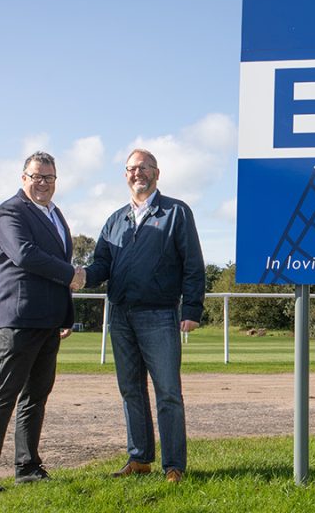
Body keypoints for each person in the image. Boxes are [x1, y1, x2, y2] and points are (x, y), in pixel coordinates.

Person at [83, 148, 206, 483]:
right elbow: (101, 266)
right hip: (120, 316)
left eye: (143, 167)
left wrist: (192, 309)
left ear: (156, 173)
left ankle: (174, 466)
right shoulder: (114, 219)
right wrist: (79, 276)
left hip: (160, 315)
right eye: (130, 168)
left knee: (167, 392)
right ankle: (139, 458)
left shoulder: (177, 213)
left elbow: (193, 265)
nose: (136, 173)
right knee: (130, 390)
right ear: (125, 175)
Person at [0, 151, 85, 495]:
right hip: (18, 320)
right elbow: (24, 254)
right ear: (24, 178)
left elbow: (54, 259)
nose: (43, 183)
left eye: (49, 178)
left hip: (48, 321)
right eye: (36, 176)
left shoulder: (55, 214)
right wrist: (71, 275)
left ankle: (27, 465)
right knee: (4, 394)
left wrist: (64, 314)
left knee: (36, 396)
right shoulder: (10, 211)